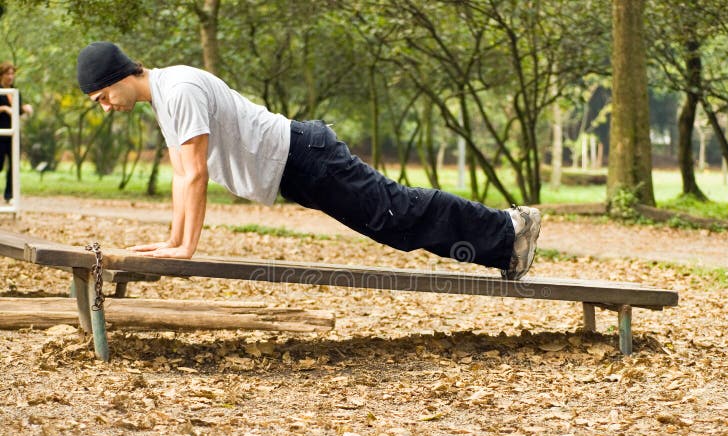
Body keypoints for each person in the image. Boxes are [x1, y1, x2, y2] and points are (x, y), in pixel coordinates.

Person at [76, 42, 541, 279]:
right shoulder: (165, 98)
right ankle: (505, 245)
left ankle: (510, 227)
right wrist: (172, 241)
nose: (106, 107)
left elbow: (195, 174)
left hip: (304, 157)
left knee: (397, 213)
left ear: (119, 76)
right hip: (297, 165)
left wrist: (186, 248)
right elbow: (181, 174)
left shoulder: (178, 90)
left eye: (103, 97)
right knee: (394, 223)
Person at [0, 61, 33, 204]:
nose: (10, 76)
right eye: (7, 73)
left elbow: (17, 111)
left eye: (12, 73)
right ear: (1, 75)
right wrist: (3, 109)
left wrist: (24, 108)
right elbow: (7, 110)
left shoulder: (16, 92)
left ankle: (9, 195)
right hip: (1, 134)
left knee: (14, 166)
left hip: (13, 135)